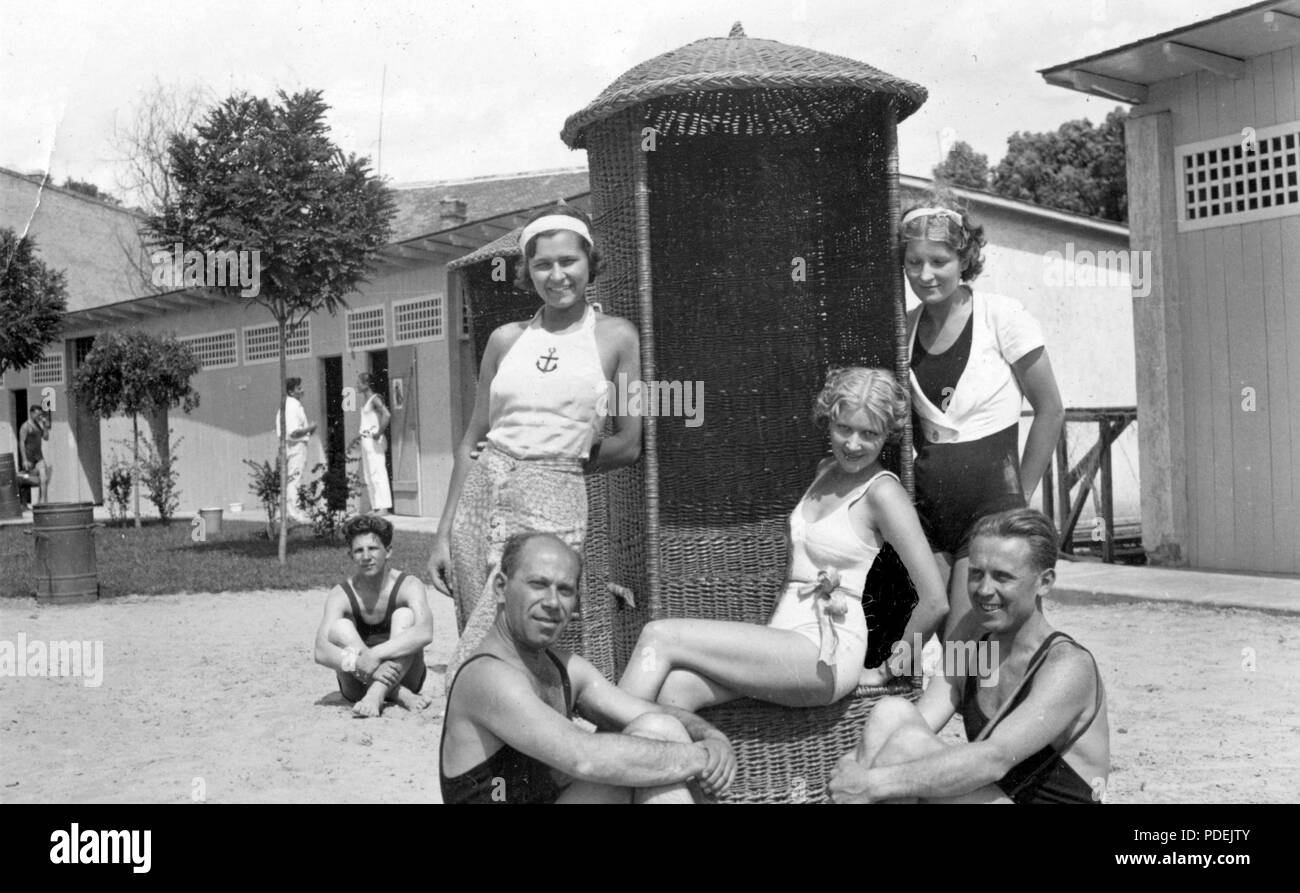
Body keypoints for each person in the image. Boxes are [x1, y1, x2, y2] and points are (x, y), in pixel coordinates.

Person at [617, 368, 948, 711]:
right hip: (786, 638)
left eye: (869, 433)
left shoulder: (883, 493)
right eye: (844, 428)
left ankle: (597, 751)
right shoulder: (826, 471)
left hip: (825, 651)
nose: (852, 444)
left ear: (887, 435)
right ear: (829, 420)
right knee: (677, 689)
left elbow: (935, 601)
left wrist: (885, 670)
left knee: (659, 636)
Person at [426, 204, 641, 676]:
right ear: (527, 270)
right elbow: (471, 441)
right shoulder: (506, 339)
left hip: (555, 494)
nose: (557, 274)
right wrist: (442, 533)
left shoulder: (617, 337)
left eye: (569, 261)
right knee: (478, 637)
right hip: (483, 494)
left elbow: (629, 442)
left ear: (590, 262)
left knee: (521, 635)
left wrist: (557, 464)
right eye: (543, 264)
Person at [828, 508, 1109, 804]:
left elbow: (993, 759)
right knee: (890, 714)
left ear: (1045, 582)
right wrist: (853, 763)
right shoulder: (978, 643)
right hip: (997, 795)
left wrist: (869, 784)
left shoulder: (1066, 665)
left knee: (904, 749)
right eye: (976, 574)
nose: (985, 590)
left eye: (1002, 577)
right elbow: (918, 720)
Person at [440, 531, 736, 804]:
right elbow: (584, 758)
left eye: (565, 590)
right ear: (501, 588)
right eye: (538, 584)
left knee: (660, 729)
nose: (553, 602)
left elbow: (651, 714)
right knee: (639, 761)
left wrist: (712, 737)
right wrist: (700, 757)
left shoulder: (563, 667)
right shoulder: (488, 677)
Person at [899, 195, 1065, 636]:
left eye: (939, 260)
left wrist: (1019, 496)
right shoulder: (905, 330)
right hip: (931, 513)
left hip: (991, 510)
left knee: (972, 641)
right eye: (913, 262)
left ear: (964, 257)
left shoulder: (1001, 316)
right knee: (928, 628)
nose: (925, 274)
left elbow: (1050, 409)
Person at [314, 514, 435, 718]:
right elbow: (320, 650)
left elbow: (425, 632)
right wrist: (359, 662)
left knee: (404, 615)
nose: (366, 556)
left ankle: (378, 694)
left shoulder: (409, 585)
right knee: (339, 628)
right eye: (359, 551)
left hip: (407, 676)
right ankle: (400, 695)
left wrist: (373, 655)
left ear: (388, 552)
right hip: (357, 685)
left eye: (373, 549)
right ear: (351, 556)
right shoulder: (341, 594)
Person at [275, 377, 317, 525]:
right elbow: (293, 433)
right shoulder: (293, 406)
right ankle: (294, 513)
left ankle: (282, 513)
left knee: (287, 480)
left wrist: (308, 431)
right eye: (299, 388)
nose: (302, 390)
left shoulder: (285, 406)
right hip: (295, 445)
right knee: (294, 479)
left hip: (287, 445)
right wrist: (310, 428)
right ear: (291, 391)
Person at [357, 372, 392, 515]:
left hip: (373, 440)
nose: (357, 385)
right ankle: (376, 506)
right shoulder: (366, 400)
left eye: (359, 382)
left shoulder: (374, 399)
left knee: (377, 472)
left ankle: (384, 507)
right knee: (369, 473)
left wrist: (379, 432)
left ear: (366, 384)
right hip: (366, 441)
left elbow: (387, 414)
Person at [18, 405, 51, 505]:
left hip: (39, 458)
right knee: (24, 481)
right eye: (37, 414)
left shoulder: (38, 426)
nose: (39, 417)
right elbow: (21, 443)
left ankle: (43, 502)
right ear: (31, 413)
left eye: (40, 415)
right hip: (28, 458)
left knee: (44, 478)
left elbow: (46, 438)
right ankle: (23, 504)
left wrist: (45, 425)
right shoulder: (26, 426)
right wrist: (24, 459)